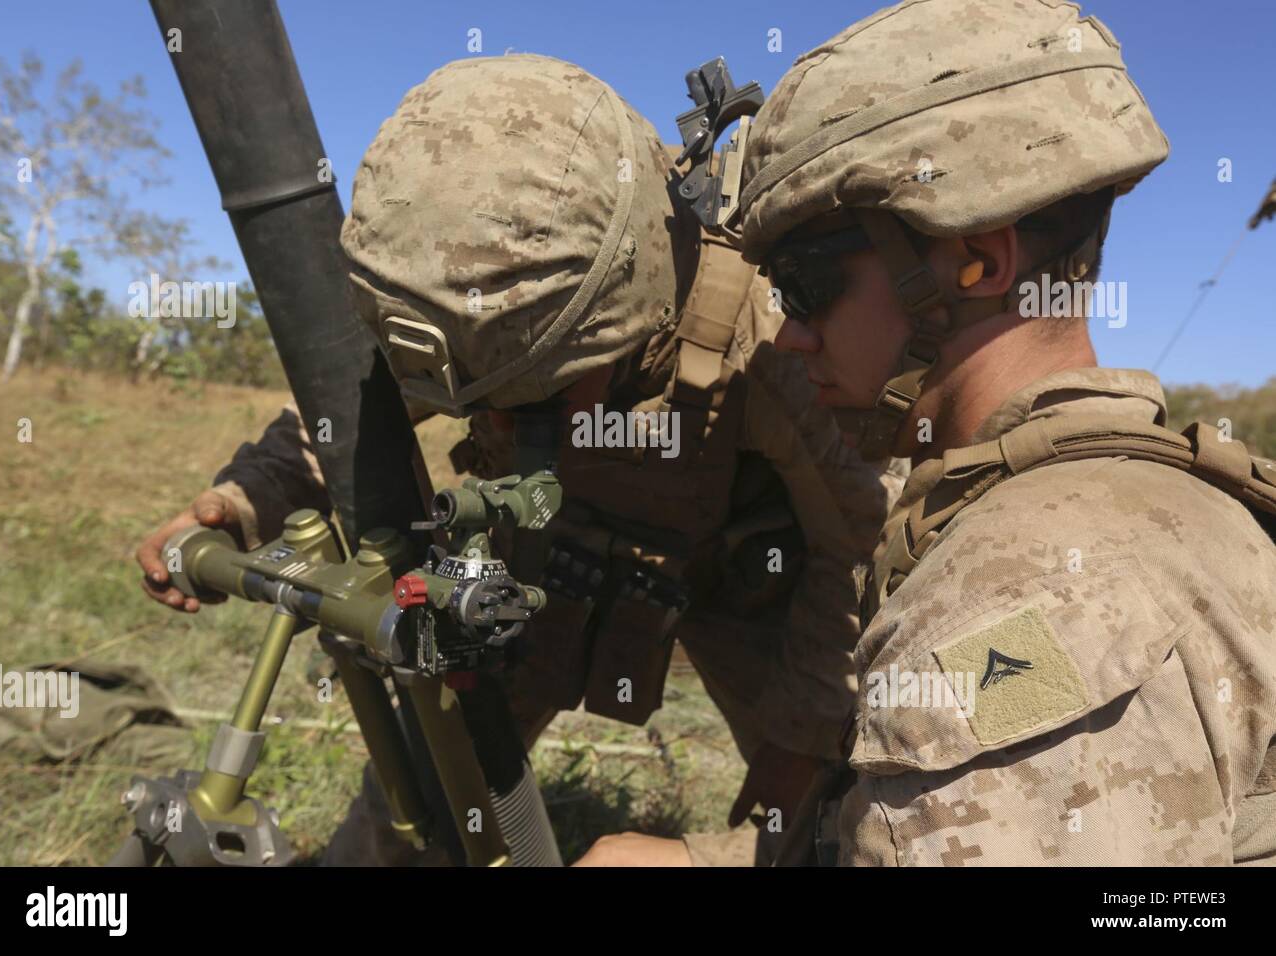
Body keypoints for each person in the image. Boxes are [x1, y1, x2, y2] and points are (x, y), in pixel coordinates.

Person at [134, 54, 904, 864]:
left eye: (540, 392)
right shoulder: (470, 295)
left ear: (638, 303)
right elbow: (353, 404)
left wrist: (799, 747)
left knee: (830, 814)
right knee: (426, 796)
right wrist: (242, 498)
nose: (496, 418)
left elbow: (854, 544)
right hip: (534, 567)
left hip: (739, 589)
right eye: (470, 391)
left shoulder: (761, 335)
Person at [581, 0, 1276, 866]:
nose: (790, 334)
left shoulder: (1016, 598)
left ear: (976, 260)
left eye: (803, 284)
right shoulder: (1128, 501)